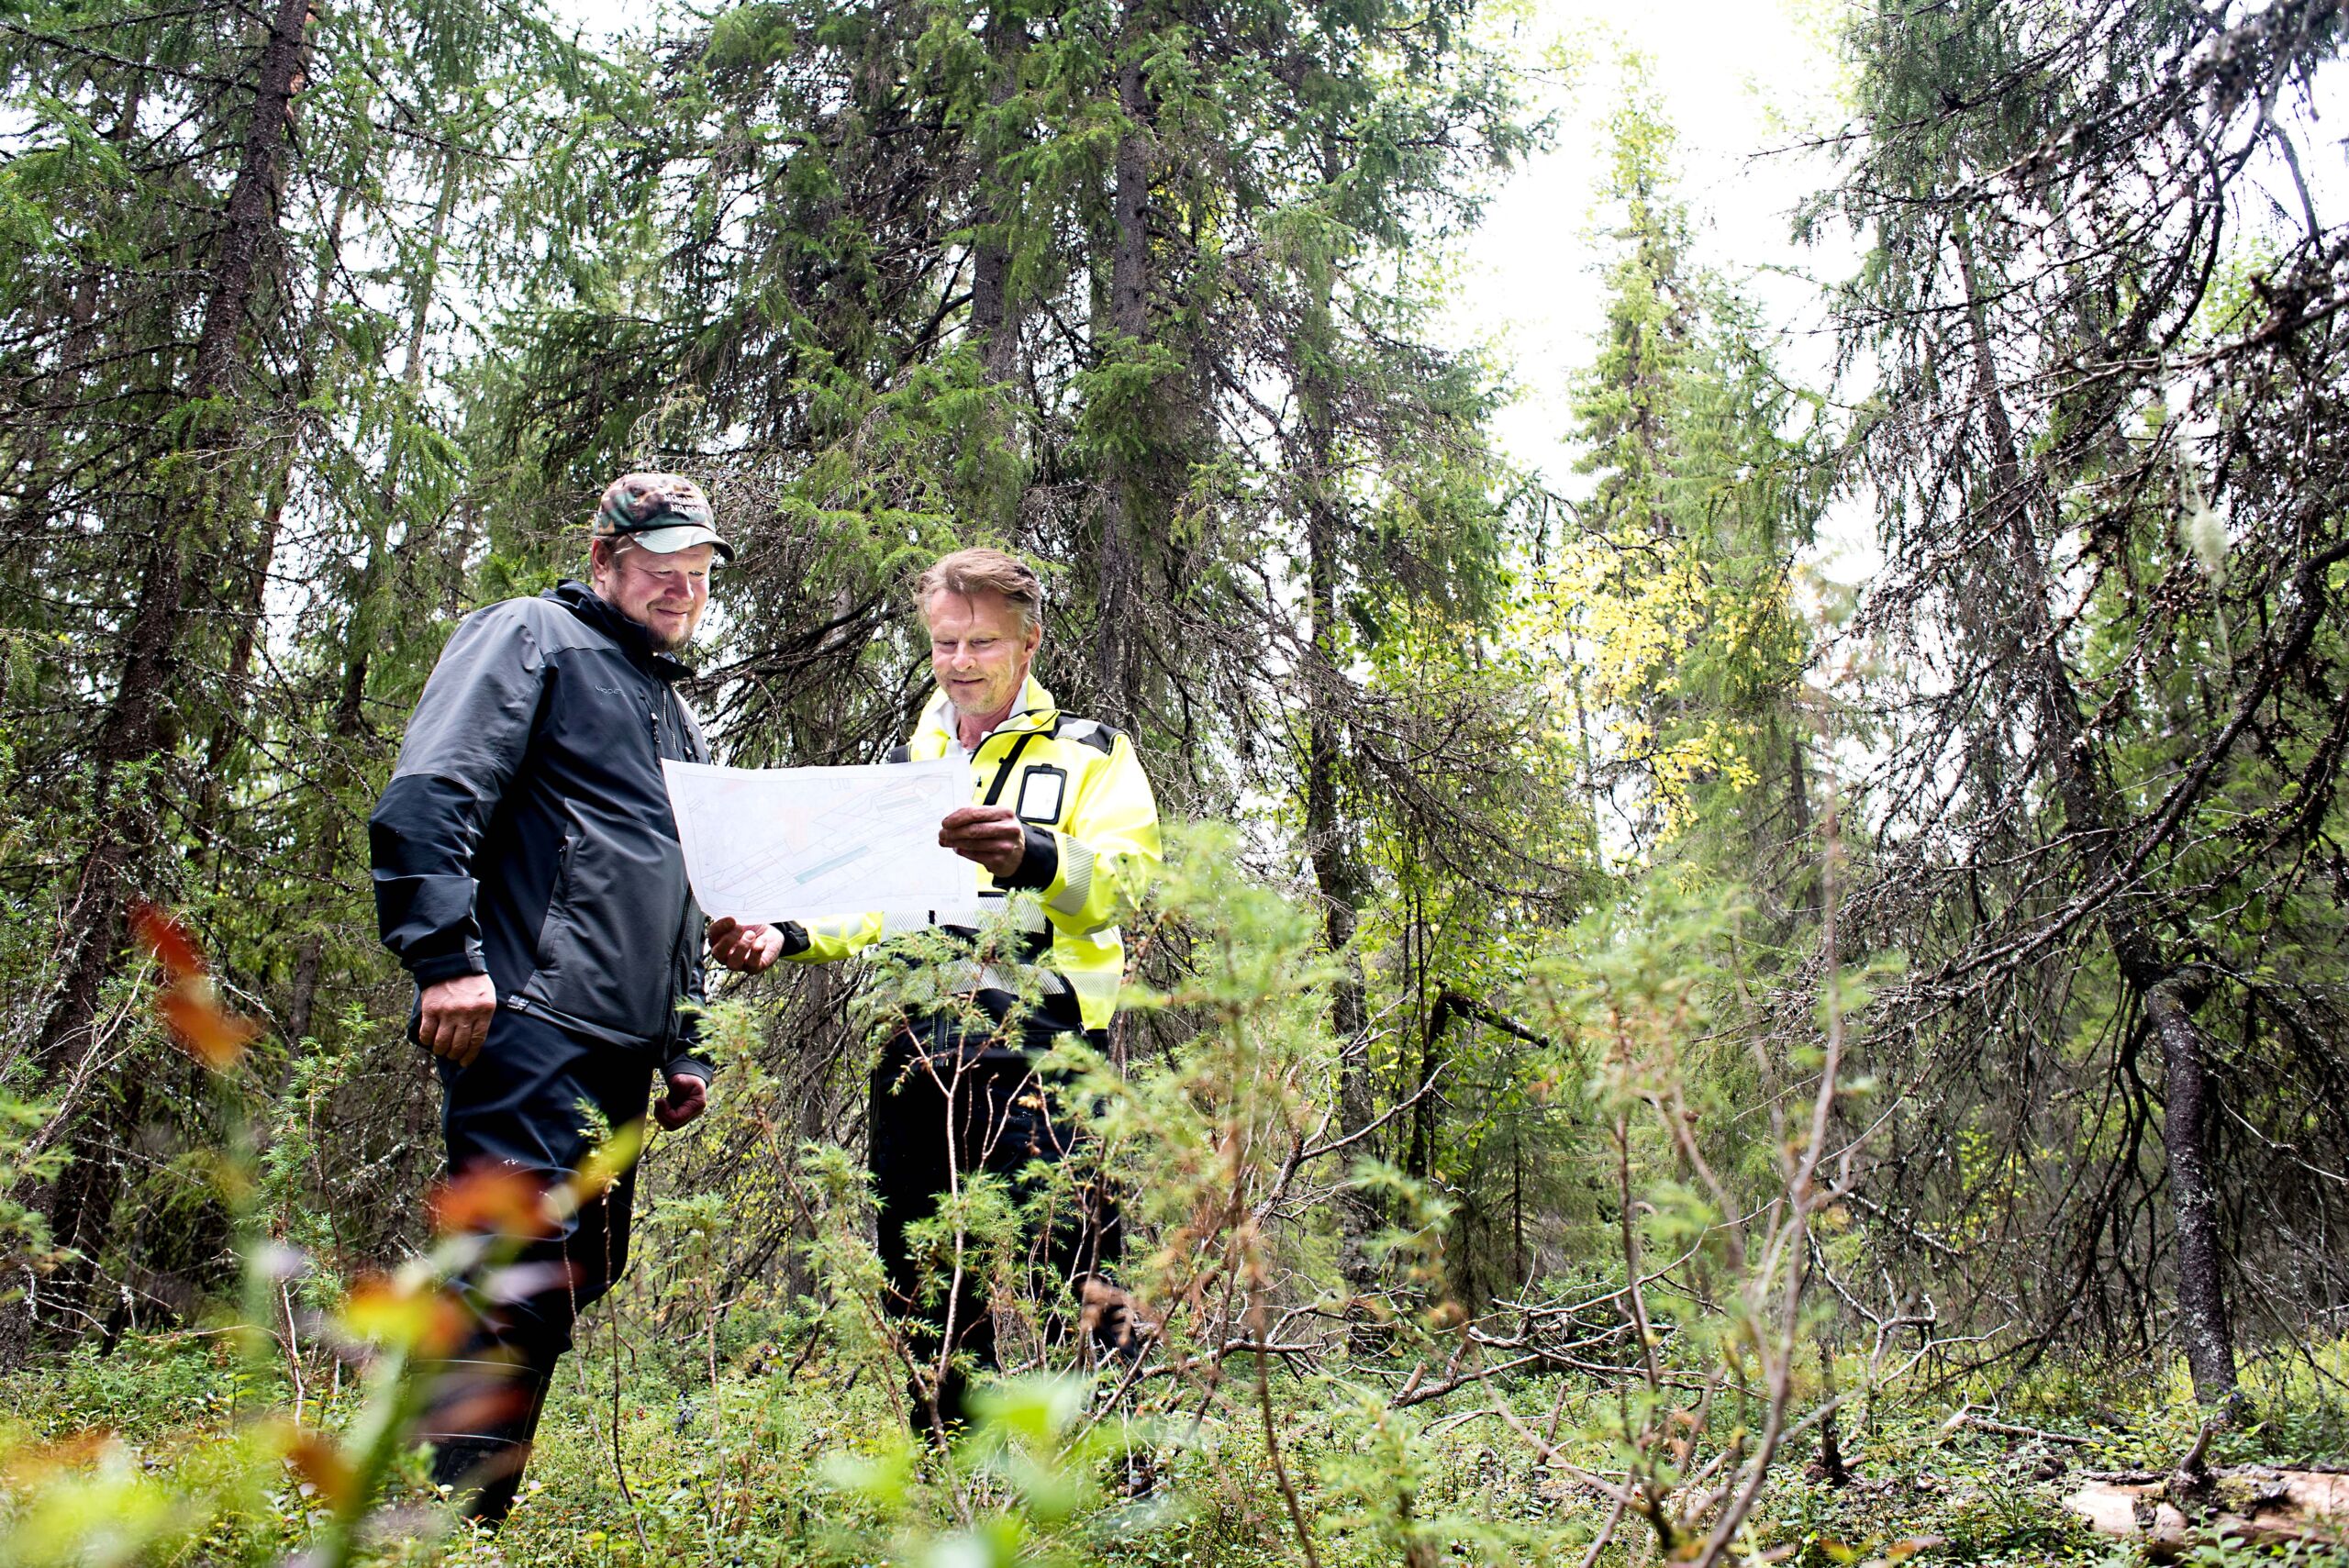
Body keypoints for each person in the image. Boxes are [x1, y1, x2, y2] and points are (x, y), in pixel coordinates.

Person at [368, 473, 781, 1526]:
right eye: (660, 567)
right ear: (605, 560)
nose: (680, 588)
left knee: (570, 1274)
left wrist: (687, 1041)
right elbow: (431, 793)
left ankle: (459, 1503)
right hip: (528, 1018)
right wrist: (447, 957)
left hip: (620, 1045)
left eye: (696, 573)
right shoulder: (531, 636)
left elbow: (677, 880)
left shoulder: (673, 712)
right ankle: (438, 1522)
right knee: (511, 1270)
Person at [709, 547, 1160, 1437]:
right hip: (920, 1039)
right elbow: (871, 899)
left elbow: (1127, 883)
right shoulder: (905, 764)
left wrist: (1033, 854)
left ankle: (1125, 1452)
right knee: (923, 1266)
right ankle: (954, 1466)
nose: (960, 661)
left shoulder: (1092, 753)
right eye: (945, 642)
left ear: (1028, 644)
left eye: (982, 641)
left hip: (1047, 1035)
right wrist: (785, 932)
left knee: (1079, 1253)